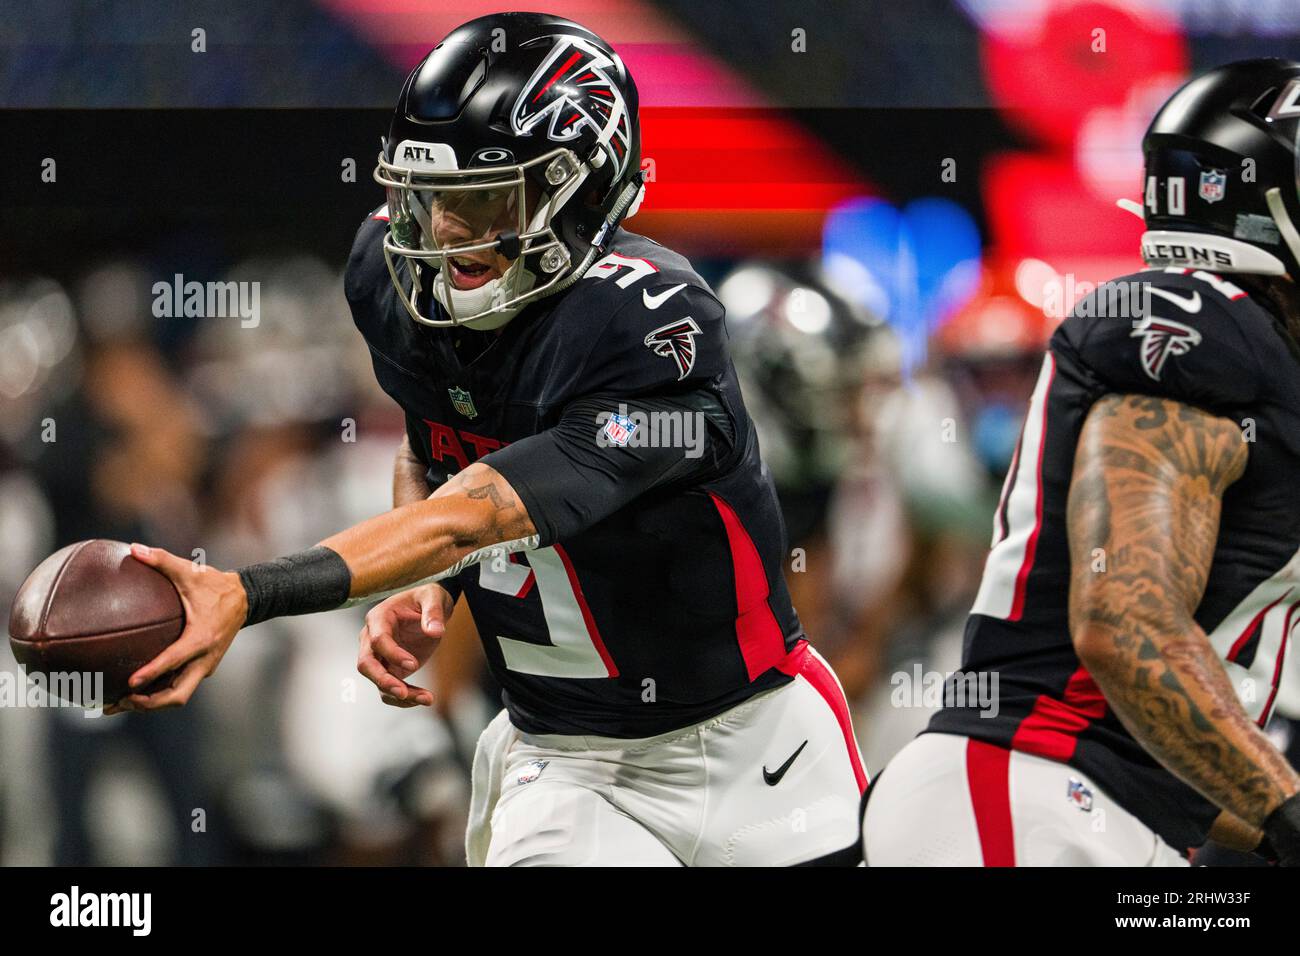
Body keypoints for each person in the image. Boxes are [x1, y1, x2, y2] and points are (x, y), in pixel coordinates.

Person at [112, 12, 866, 867]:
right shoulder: (392, 282)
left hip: (758, 742)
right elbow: (434, 450)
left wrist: (248, 592)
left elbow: (476, 513)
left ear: (578, 188)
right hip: (568, 765)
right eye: (429, 202)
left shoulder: (650, 325)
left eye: (479, 201)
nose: (443, 236)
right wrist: (433, 584)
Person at [863, 59, 1300, 866]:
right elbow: (1125, 626)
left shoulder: (1261, 362)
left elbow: (1172, 765)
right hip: (1030, 794)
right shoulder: (1205, 326)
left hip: (1103, 816)